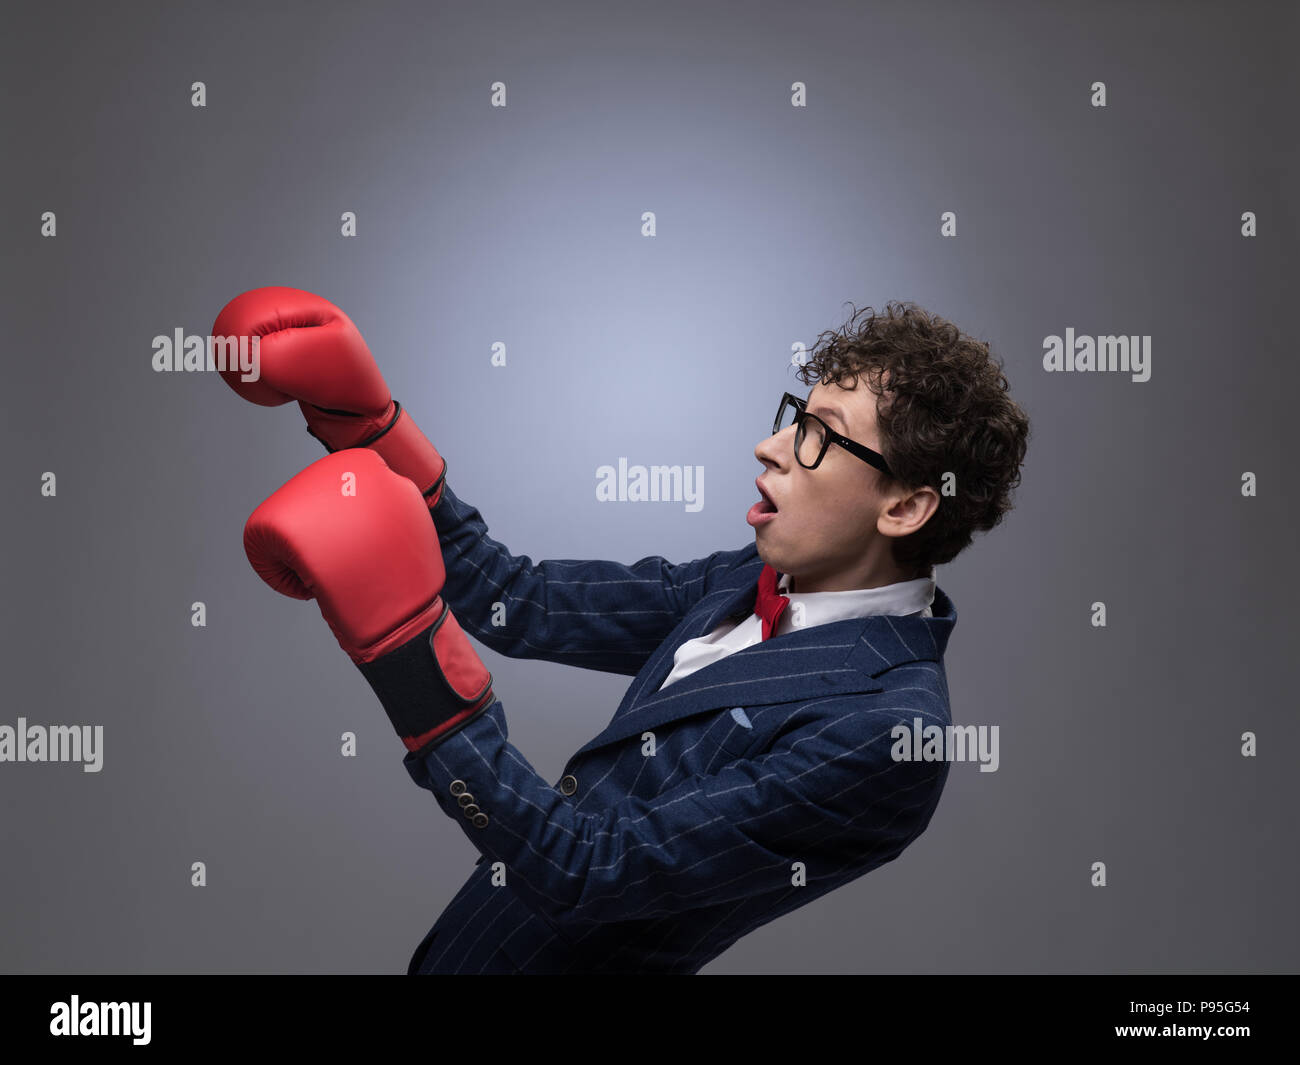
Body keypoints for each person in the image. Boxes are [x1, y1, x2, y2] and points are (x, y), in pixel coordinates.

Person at [217, 289, 1031, 973]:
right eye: (794, 414)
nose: (771, 445)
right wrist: (370, 426)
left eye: (819, 434)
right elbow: (519, 599)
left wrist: (410, 661)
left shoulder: (888, 732)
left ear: (905, 505)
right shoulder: (751, 578)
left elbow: (588, 867)